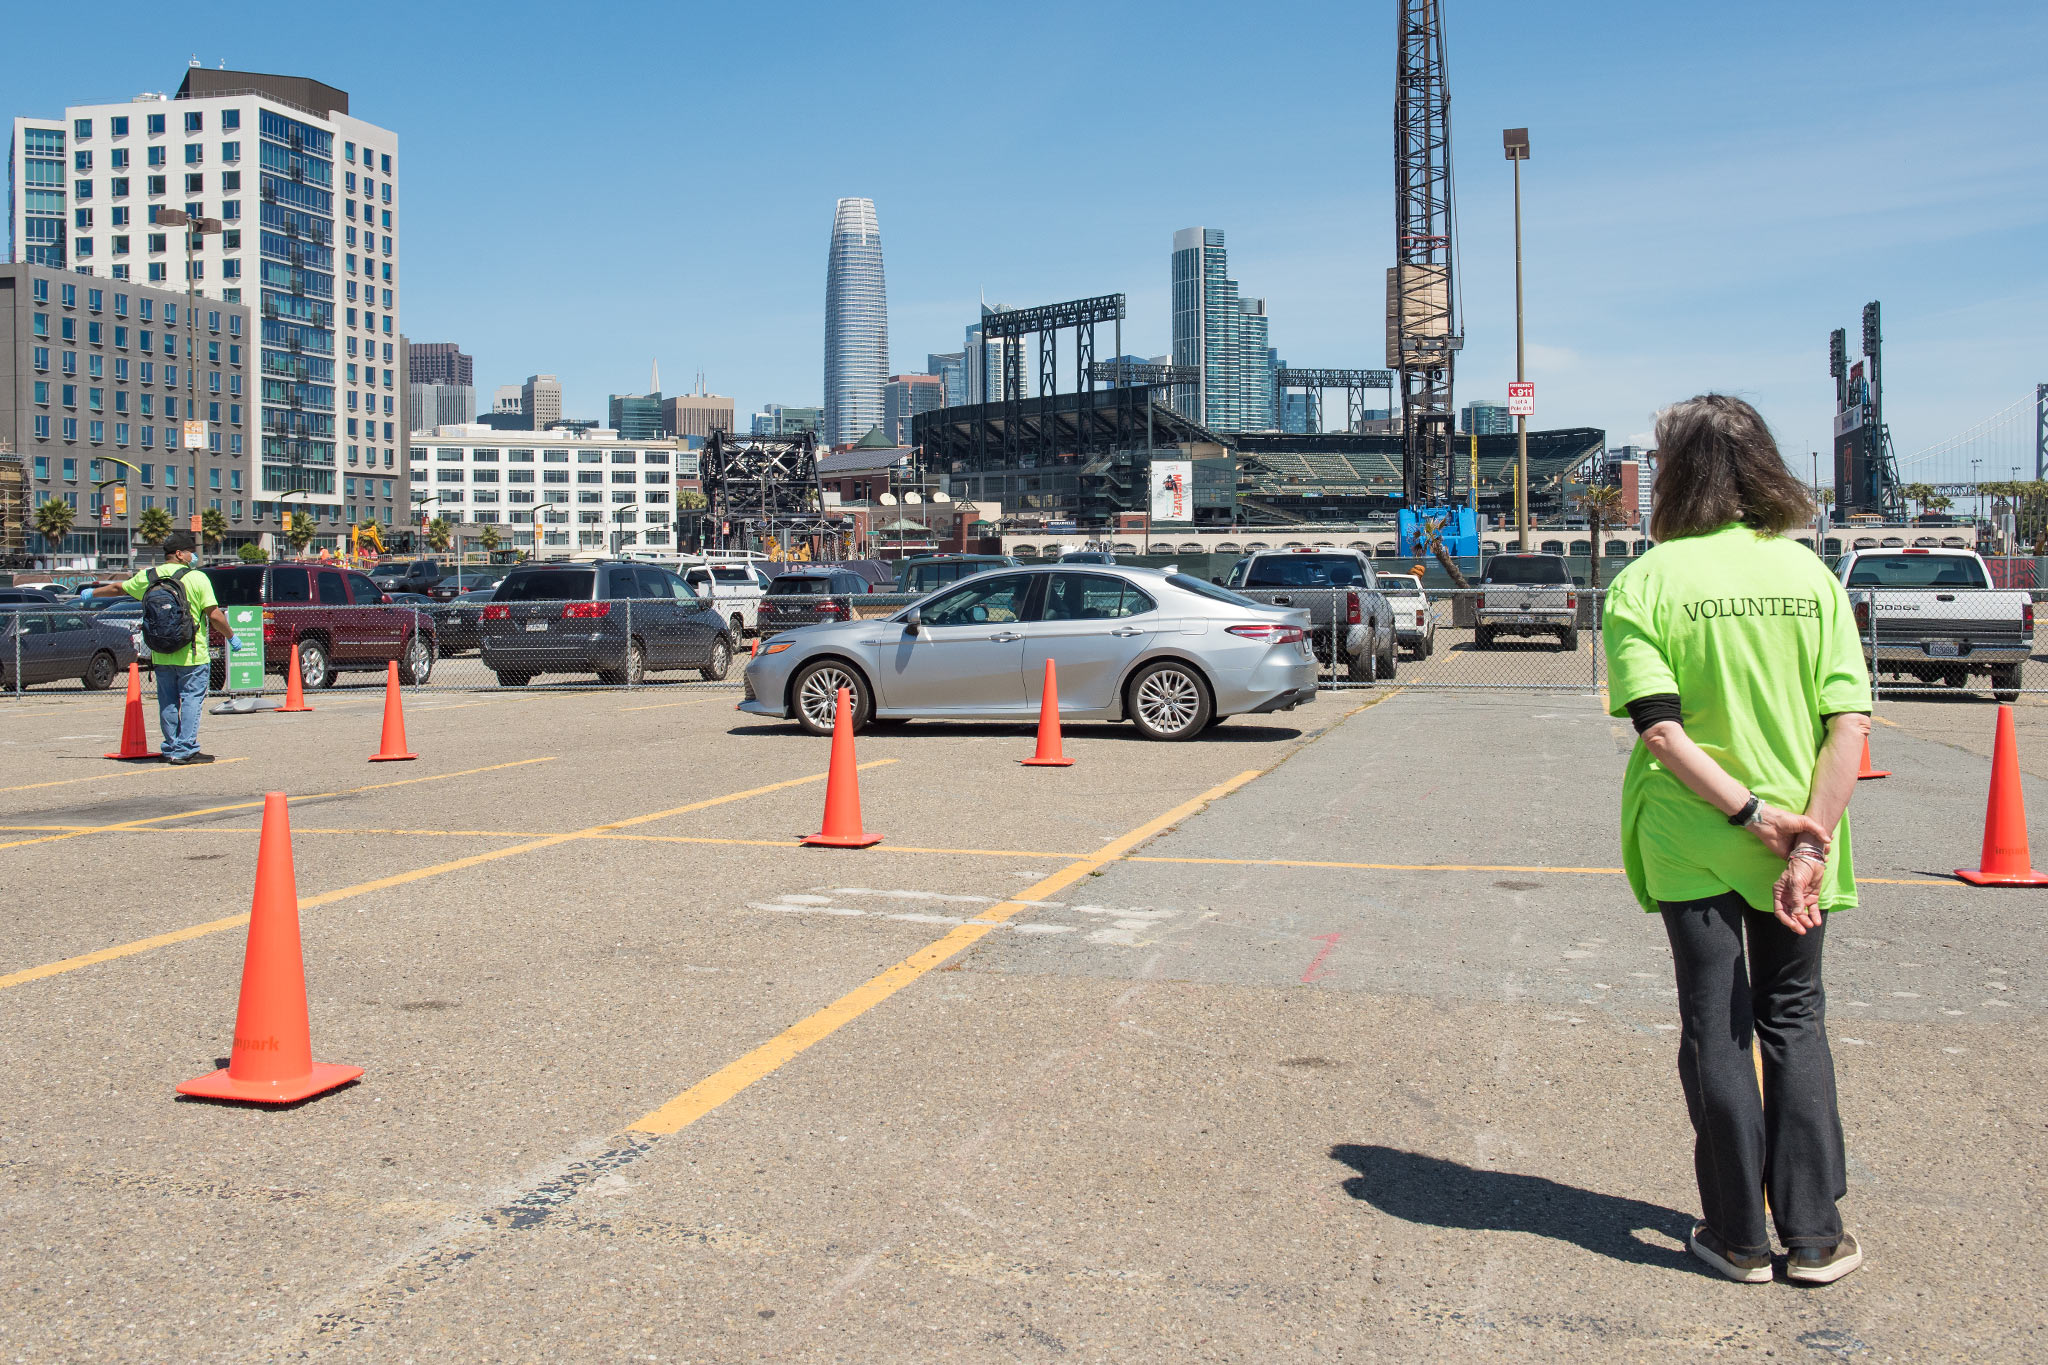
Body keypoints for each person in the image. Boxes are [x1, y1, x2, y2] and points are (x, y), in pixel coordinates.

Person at [1602, 394, 1872, 1286]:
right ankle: (1816, 1234)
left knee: (1717, 1028)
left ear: (1673, 475)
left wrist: (1748, 813)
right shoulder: (1812, 577)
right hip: (1803, 840)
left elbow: (1662, 733)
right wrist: (1805, 836)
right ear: (1764, 466)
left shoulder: (1646, 581)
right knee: (1795, 1018)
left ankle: (1738, 1237)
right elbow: (1848, 727)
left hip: (1692, 836)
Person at [91, 531, 232, 765]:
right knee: (191, 700)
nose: (193, 556)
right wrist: (231, 636)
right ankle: (186, 749)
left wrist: (91, 593)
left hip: (161, 652)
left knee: (167, 701)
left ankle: (170, 747)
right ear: (179, 554)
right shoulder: (196, 578)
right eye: (190, 552)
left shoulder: (148, 576)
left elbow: (118, 589)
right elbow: (214, 615)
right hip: (192, 653)